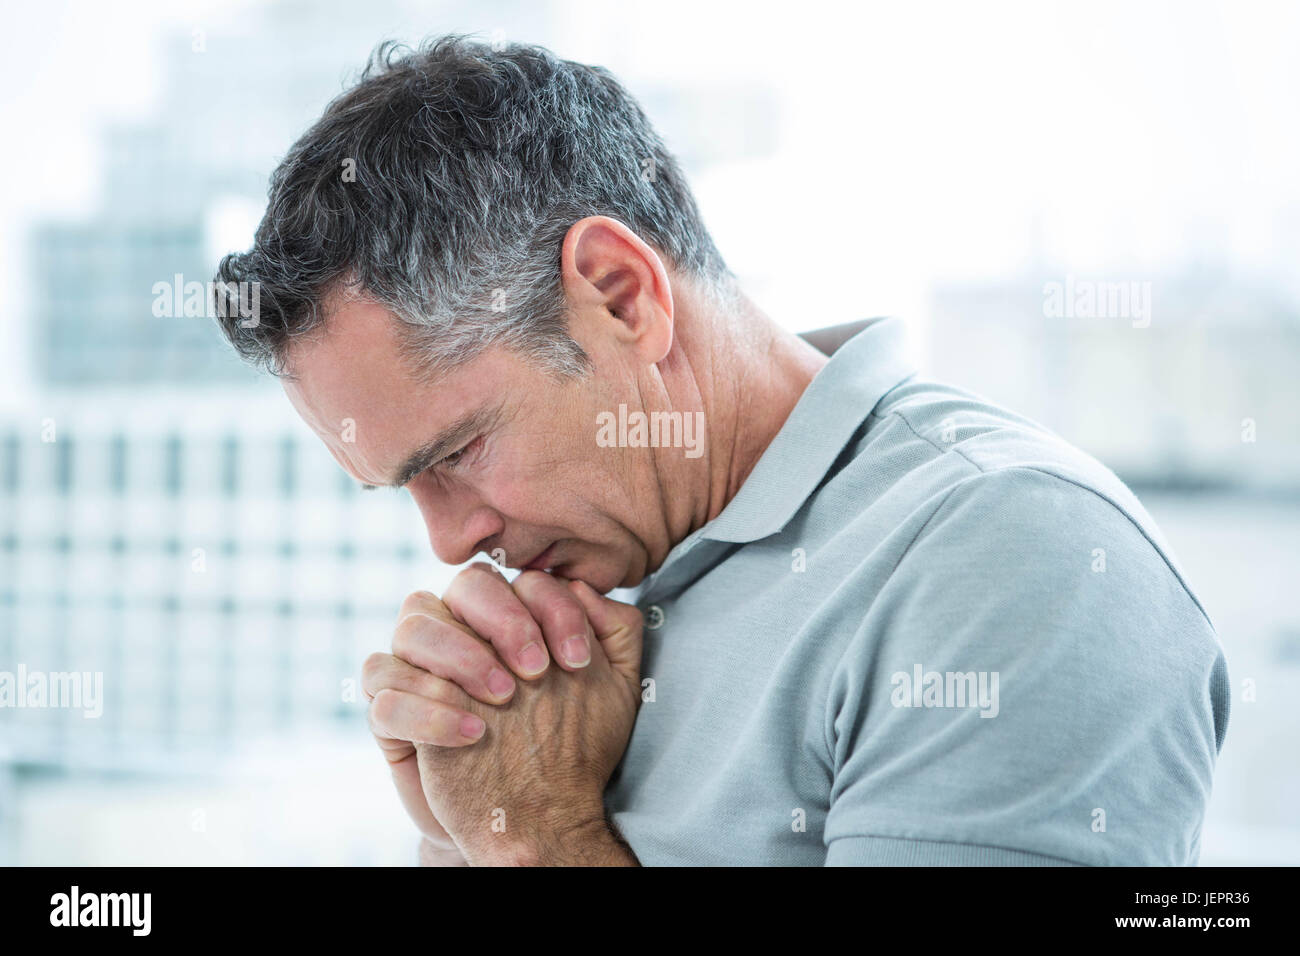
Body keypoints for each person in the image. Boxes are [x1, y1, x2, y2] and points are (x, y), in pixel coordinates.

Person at [212, 35, 1230, 866]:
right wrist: (456, 823)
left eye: (460, 450)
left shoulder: (1009, 558)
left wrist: (529, 836)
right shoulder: (566, 625)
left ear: (620, 294)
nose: (447, 542)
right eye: (403, 486)